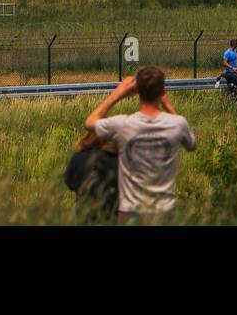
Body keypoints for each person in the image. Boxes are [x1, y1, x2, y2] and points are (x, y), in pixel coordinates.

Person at [85, 66, 196, 222]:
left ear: (137, 91)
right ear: (162, 91)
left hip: (131, 210)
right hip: (164, 210)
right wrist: (167, 104)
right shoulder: (178, 124)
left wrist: (117, 94)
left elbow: (89, 122)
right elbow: (191, 144)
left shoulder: (123, 124)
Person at [63, 129, 119, 220]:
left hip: (84, 215)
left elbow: (69, 182)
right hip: (111, 217)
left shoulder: (79, 157)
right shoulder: (117, 160)